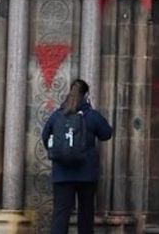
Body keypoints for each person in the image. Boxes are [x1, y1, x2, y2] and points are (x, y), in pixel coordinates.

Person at [40, 79, 113, 234]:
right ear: (86, 95)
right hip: (86, 175)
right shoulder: (91, 115)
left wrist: (59, 154)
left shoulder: (57, 115)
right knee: (85, 216)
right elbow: (106, 134)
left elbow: (45, 136)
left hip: (62, 175)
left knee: (60, 216)